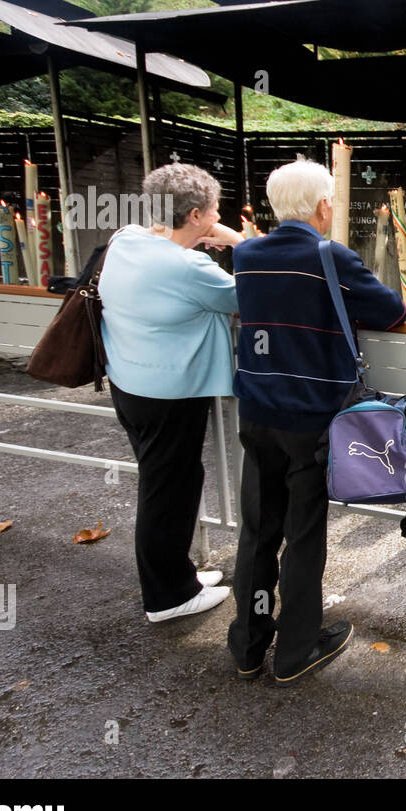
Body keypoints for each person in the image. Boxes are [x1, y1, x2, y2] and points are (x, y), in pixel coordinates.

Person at [229, 157, 405, 686]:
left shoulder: (245, 254)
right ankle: (296, 649)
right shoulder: (331, 256)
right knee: (303, 534)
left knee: (258, 529)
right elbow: (391, 312)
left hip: (256, 410)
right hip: (309, 419)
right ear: (325, 205)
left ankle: (248, 645)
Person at [99, 163, 245, 623]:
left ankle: (179, 575)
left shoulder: (126, 241)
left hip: (129, 385)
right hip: (169, 395)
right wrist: (241, 242)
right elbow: (247, 296)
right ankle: (168, 597)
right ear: (198, 214)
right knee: (168, 492)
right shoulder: (188, 267)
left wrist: (199, 234)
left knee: (167, 483)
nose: (219, 217)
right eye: (215, 211)